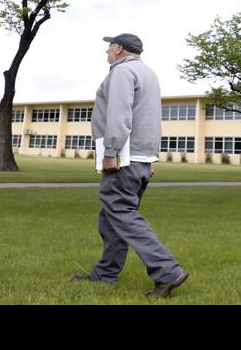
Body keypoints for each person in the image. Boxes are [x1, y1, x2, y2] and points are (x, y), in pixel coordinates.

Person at [72, 33, 190, 297]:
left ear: (119, 49)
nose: (107, 50)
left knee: (122, 213)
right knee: (111, 217)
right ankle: (105, 274)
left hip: (124, 157)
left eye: (109, 46)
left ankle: (167, 271)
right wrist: (148, 158)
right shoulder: (148, 73)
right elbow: (149, 118)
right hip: (139, 157)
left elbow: (120, 113)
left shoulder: (122, 73)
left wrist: (111, 152)